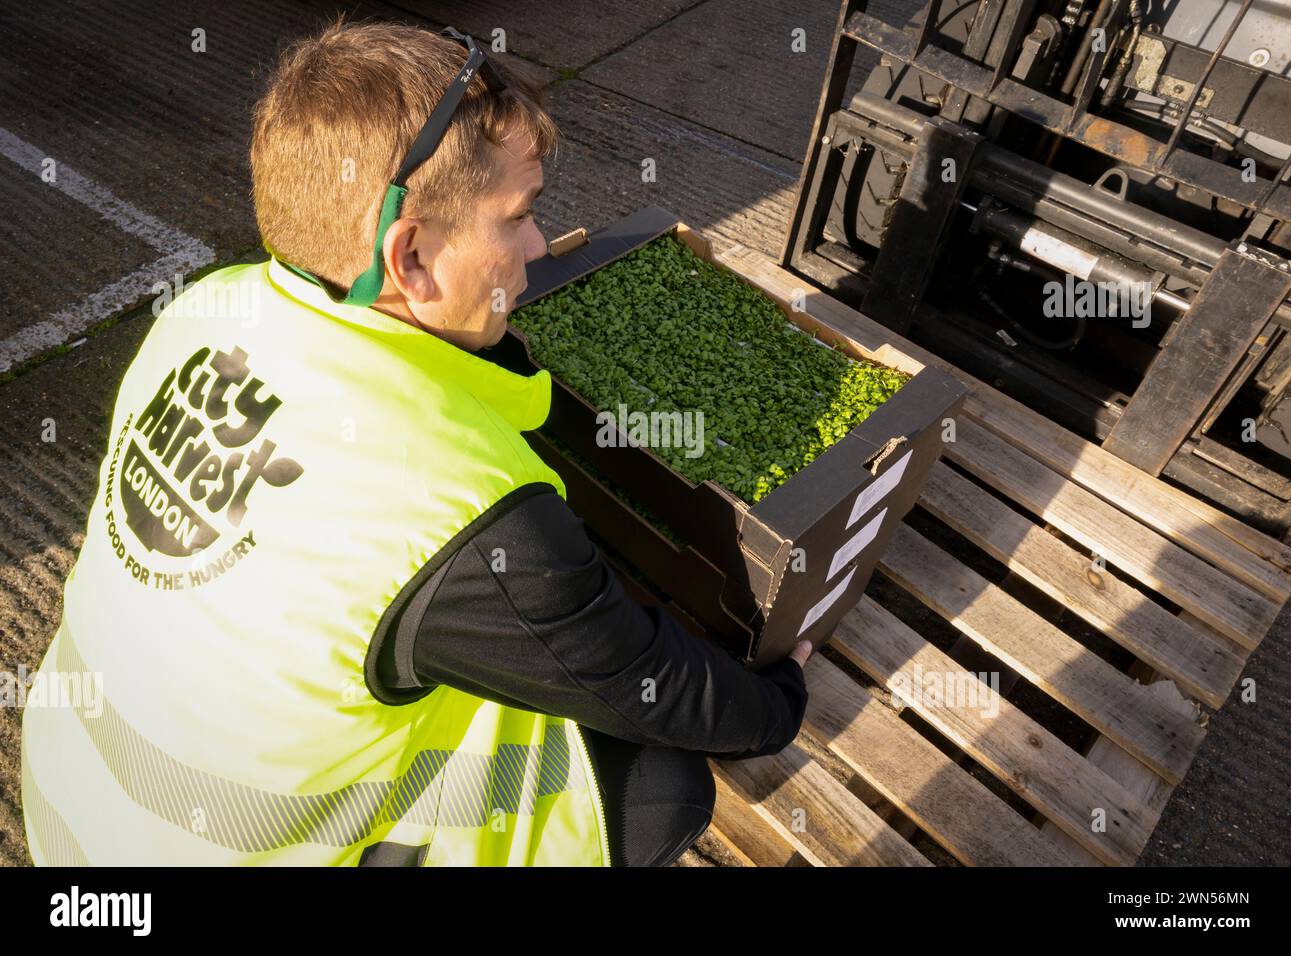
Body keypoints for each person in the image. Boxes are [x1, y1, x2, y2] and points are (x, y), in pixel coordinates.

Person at [20, 19, 810, 868]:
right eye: (521, 215)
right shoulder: (465, 513)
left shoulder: (204, 307)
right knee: (661, 784)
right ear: (412, 258)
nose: (540, 245)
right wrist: (781, 697)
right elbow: (654, 686)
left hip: (71, 810)